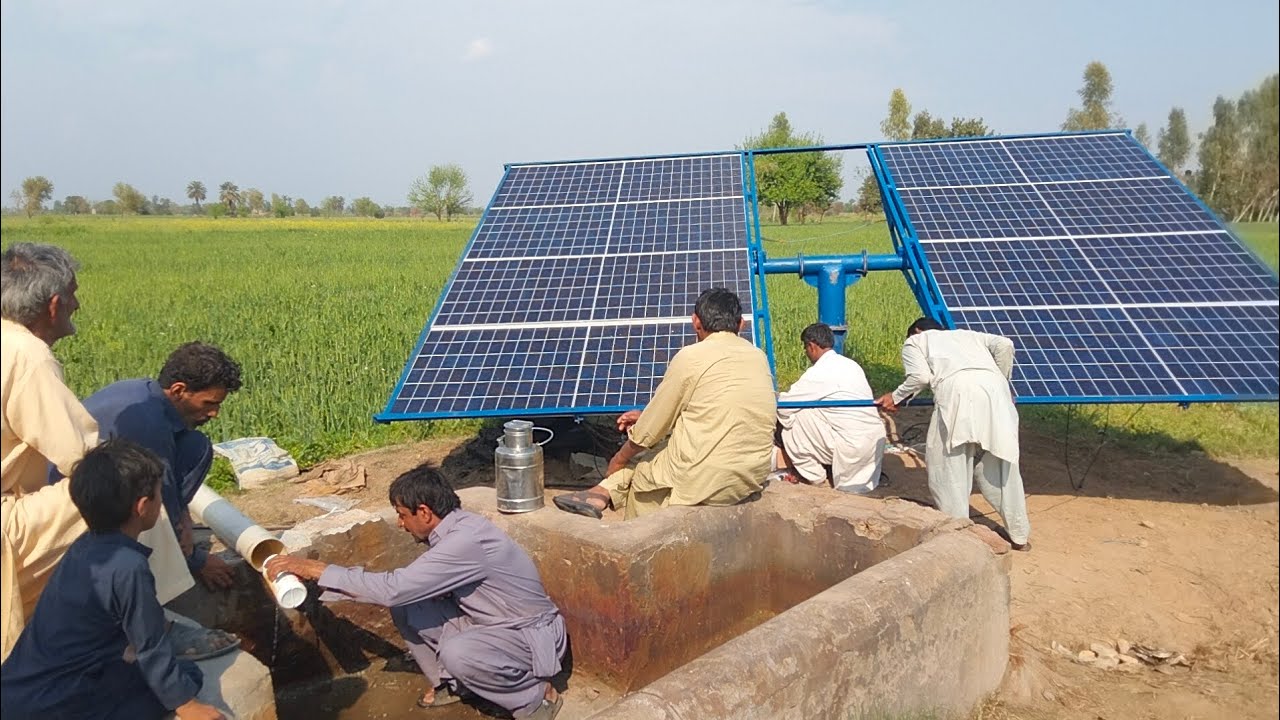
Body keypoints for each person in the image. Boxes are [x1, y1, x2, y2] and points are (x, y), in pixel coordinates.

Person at [1, 243, 231, 662]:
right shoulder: (27, 355)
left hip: (16, 508)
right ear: (54, 304)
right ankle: (153, 625)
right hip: (7, 518)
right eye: (73, 294)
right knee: (131, 483)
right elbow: (81, 455)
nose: (78, 303)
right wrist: (188, 550)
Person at [266, 465, 566, 720]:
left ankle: (535, 698)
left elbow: (395, 588)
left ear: (423, 512)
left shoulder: (465, 541)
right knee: (411, 606)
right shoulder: (454, 530)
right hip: (496, 626)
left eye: (401, 514)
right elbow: (405, 591)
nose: (400, 524)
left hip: (531, 638)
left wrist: (318, 570)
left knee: (457, 651)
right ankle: (451, 683)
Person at [0, 439, 225, 720]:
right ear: (142, 506)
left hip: (16, 689)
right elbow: (150, 646)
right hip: (59, 703)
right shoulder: (128, 567)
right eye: (158, 494)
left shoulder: (81, 549)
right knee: (188, 675)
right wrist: (187, 704)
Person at [551, 288, 776, 520]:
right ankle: (601, 493)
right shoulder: (758, 357)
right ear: (740, 324)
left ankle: (607, 494)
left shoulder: (691, 357)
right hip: (750, 476)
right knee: (664, 450)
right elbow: (713, 410)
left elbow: (647, 433)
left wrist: (618, 459)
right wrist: (645, 417)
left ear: (695, 321)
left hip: (705, 482)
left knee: (642, 464)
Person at [76, 342, 243, 591]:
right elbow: (160, 495)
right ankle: (167, 553)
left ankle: (175, 538)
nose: (214, 413)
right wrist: (195, 560)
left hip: (104, 484)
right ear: (178, 390)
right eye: (209, 403)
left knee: (196, 446)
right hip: (86, 504)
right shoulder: (147, 424)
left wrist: (183, 517)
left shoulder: (143, 393)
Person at [874, 317, 1030, 551]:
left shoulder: (917, 341)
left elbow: (920, 377)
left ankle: (957, 533)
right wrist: (1001, 379)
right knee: (1003, 465)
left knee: (948, 467)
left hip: (956, 394)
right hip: (997, 394)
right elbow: (1006, 344)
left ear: (916, 331)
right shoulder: (969, 335)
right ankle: (1019, 536)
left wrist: (895, 397)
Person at [775, 323, 886, 494]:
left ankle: (815, 476)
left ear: (811, 346)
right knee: (814, 410)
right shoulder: (851, 365)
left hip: (851, 446)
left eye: (805, 348)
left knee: (794, 421)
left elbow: (785, 406)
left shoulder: (819, 372)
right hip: (874, 441)